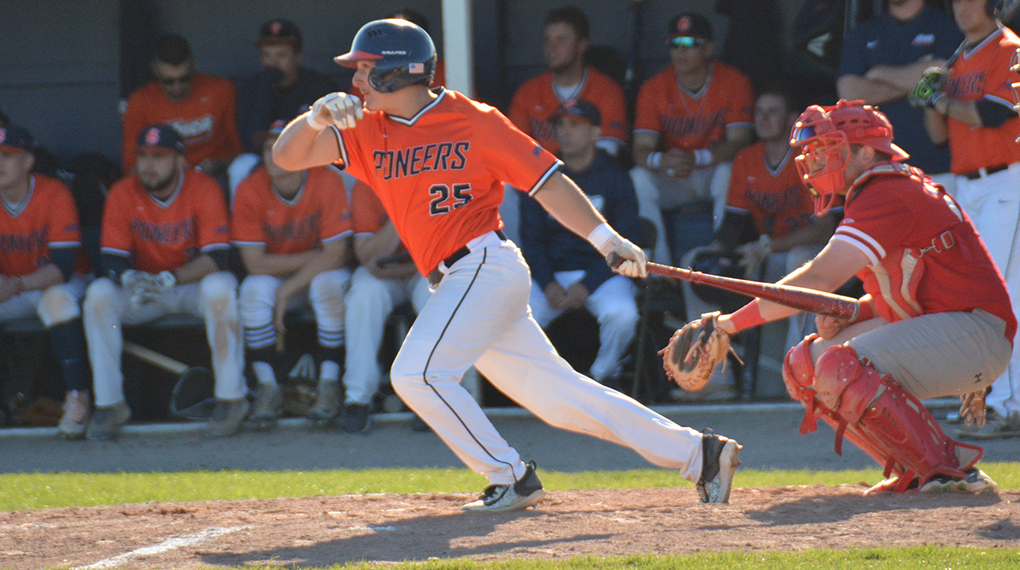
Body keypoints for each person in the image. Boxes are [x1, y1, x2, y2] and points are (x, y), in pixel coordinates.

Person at [272, 19, 741, 510]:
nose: (356, 82)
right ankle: (700, 453)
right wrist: (316, 117)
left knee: (415, 374)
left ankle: (510, 477)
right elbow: (287, 157)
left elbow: (547, 181)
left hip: (484, 266)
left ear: (395, 72)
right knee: (559, 399)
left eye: (366, 70)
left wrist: (605, 238)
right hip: (460, 280)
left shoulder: (473, 119)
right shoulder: (365, 130)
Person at [699, 99, 1011, 493]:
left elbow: (819, 277)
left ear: (865, 152)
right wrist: (857, 314)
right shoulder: (882, 188)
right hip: (950, 324)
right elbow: (909, 296)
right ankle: (913, 468)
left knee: (842, 364)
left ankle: (950, 469)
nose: (815, 161)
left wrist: (729, 324)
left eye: (829, 150)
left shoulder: (887, 191)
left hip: (975, 331)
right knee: (804, 364)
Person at [84, 125, 246, 440]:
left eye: (159, 157)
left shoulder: (203, 187)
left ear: (180, 160)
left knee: (221, 287)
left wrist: (173, 278)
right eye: (143, 155)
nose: (148, 164)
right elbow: (112, 260)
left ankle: (231, 398)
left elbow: (217, 257)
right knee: (99, 294)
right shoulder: (123, 191)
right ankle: (109, 403)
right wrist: (129, 277)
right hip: (146, 290)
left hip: (187, 286)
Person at [677, 87, 839, 400]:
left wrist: (768, 247)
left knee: (798, 262)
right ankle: (710, 377)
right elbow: (733, 227)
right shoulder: (748, 159)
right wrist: (718, 260)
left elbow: (824, 229)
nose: (763, 119)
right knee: (694, 262)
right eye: (759, 112)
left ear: (793, 120)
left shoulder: (810, 157)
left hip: (812, 255)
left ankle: (803, 372)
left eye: (773, 112)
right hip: (765, 256)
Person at [917, 0, 1020, 440]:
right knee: (980, 298)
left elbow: (993, 114)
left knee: (1003, 299)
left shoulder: (1009, 48)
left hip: (1007, 182)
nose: (961, 7)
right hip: (970, 185)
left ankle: (1006, 406)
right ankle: (988, 400)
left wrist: (940, 97)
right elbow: (938, 137)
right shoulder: (959, 58)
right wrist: (929, 101)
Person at [232, 120, 354, 429]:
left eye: (280, 146)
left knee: (327, 285)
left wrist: (288, 290)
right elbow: (254, 264)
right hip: (287, 270)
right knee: (253, 289)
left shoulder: (326, 179)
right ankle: (268, 387)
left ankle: (329, 384)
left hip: (318, 276)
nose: (271, 154)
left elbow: (337, 255)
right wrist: (314, 258)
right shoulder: (250, 187)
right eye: (266, 148)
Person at [519, 99, 640, 389]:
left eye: (575, 125)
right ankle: (544, 387)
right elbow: (532, 241)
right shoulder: (542, 176)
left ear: (595, 132)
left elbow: (626, 243)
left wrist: (587, 284)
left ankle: (600, 379)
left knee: (623, 315)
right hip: (552, 275)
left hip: (603, 273)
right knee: (516, 318)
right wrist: (547, 283)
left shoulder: (616, 178)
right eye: (560, 125)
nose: (564, 132)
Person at [631, 13, 755, 265]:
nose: (680, 52)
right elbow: (640, 149)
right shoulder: (654, 87)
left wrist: (697, 157)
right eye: (674, 44)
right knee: (638, 177)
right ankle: (659, 269)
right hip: (675, 174)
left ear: (708, 48)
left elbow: (740, 142)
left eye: (689, 44)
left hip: (709, 171)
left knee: (728, 171)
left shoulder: (733, 82)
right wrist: (662, 160)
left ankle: (723, 258)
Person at [0, 125, 93, 439]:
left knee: (57, 298)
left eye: (7, 156)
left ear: (27, 161)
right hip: (15, 286)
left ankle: (78, 396)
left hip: (62, 281)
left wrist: (14, 285)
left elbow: (62, 268)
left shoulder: (54, 192)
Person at [837, 0, 962, 189]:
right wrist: (921, 81)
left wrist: (879, 74)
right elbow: (849, 92)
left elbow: (945, 73)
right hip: (880, 174)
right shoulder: (863, 33)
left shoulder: (946, 27)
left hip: (939, 171)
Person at [338, 181, 432, 433]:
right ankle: (357, 398)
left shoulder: (434, 179)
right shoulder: (367, 184)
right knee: (363, 295)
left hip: (423, 270)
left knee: (438, 294)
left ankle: (433, 395)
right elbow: (367, 257)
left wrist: (399, 268)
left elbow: (442, 255)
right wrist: (402, 213)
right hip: (383, 273)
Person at [230, 19, 339, 195]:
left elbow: (332, 138)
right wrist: (266, 88)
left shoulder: (319, 86)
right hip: (267, 160)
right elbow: (250, 143)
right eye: (267, 55)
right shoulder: (251, 89)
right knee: (241, 166)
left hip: (310, 159)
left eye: (281, 55)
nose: (273, 63)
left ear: (298, 56)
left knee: (339, 164)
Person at [121, 34, 243, 186]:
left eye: (185, 79)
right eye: (169, 81)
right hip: (163, 182)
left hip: (213, 177)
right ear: (155, 71)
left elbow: (242, 152)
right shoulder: (140, 101)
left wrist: (220, 164)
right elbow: (131, 166)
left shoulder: (221, 91)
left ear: (192, 65)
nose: (177, 87)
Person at [508, 6, 628, 157]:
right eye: (548, 40)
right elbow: (515, 149)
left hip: (590, 176)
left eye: (561, 39)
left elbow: (610, 148)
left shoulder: (607, 91)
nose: (552, 48)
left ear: (582, 45)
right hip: (543, 176)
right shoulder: (527, 93)